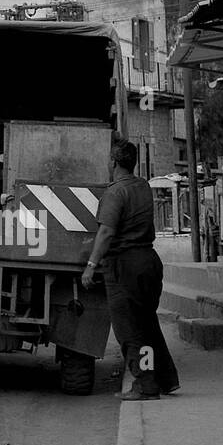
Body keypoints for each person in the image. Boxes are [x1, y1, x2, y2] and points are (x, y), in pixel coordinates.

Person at [82, 137, 180, 401]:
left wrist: (91, 265)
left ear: (113, 162)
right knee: (147, 323)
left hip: (124, 265)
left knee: (129, 330)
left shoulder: (115, 192)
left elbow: (106, 232)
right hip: (148, 262)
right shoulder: (142, 186)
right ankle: (166, 379)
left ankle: (145, 384)